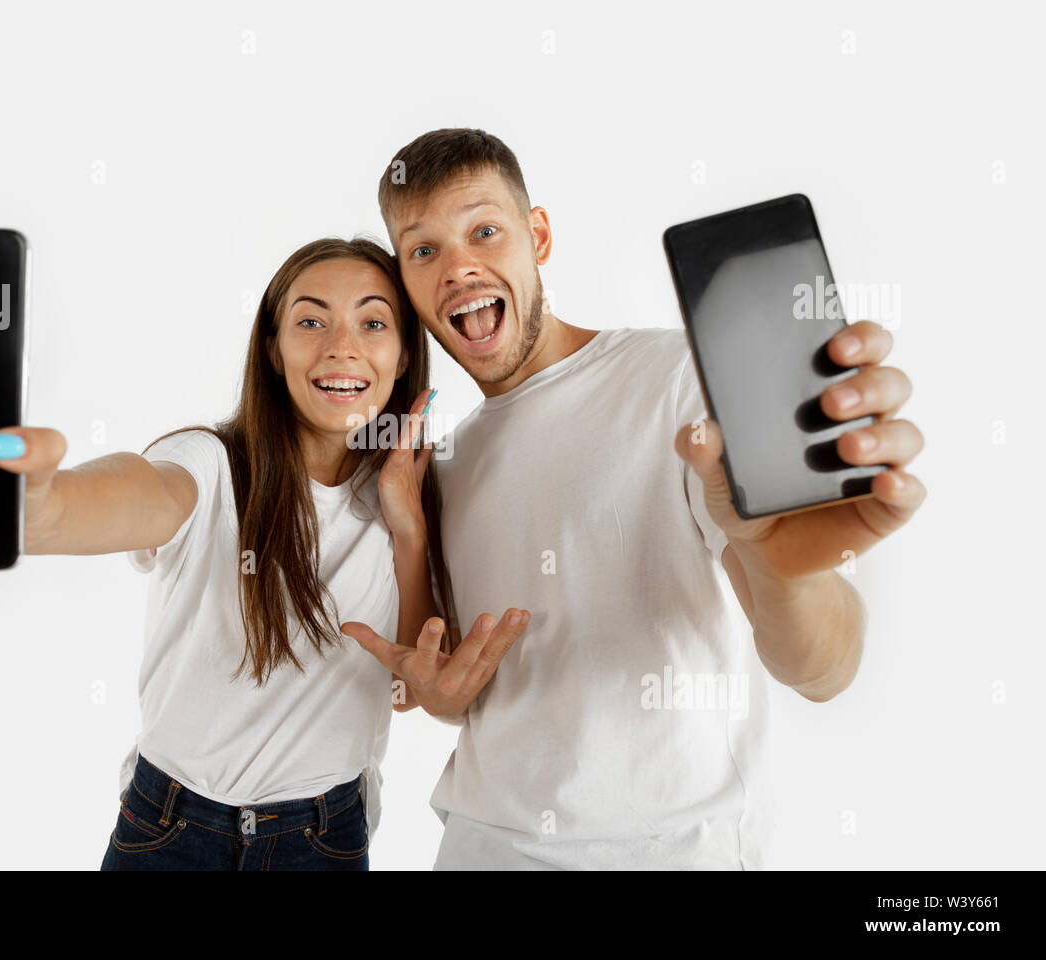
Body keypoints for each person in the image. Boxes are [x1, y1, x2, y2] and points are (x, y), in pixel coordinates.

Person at [0, 236, 531, 870]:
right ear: (274, 350)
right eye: (311, 319)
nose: (342, 346)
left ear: (404, 354)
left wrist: (406, 529)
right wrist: (28, 502)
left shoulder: (417, 493)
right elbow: (120, 497)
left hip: (324, 839)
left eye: (374, 323)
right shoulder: (209, 463)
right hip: (170, 829)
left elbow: (406, 687)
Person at [345, 129, 927, 869]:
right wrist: (430, 670)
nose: (458, 266)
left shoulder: (682, 381)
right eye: (424, 251)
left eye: (484, 230)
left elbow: (823, 669)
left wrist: (777, 562)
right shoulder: (446, 462)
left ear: (539, 236)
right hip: (482, 847)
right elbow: (461, 694)